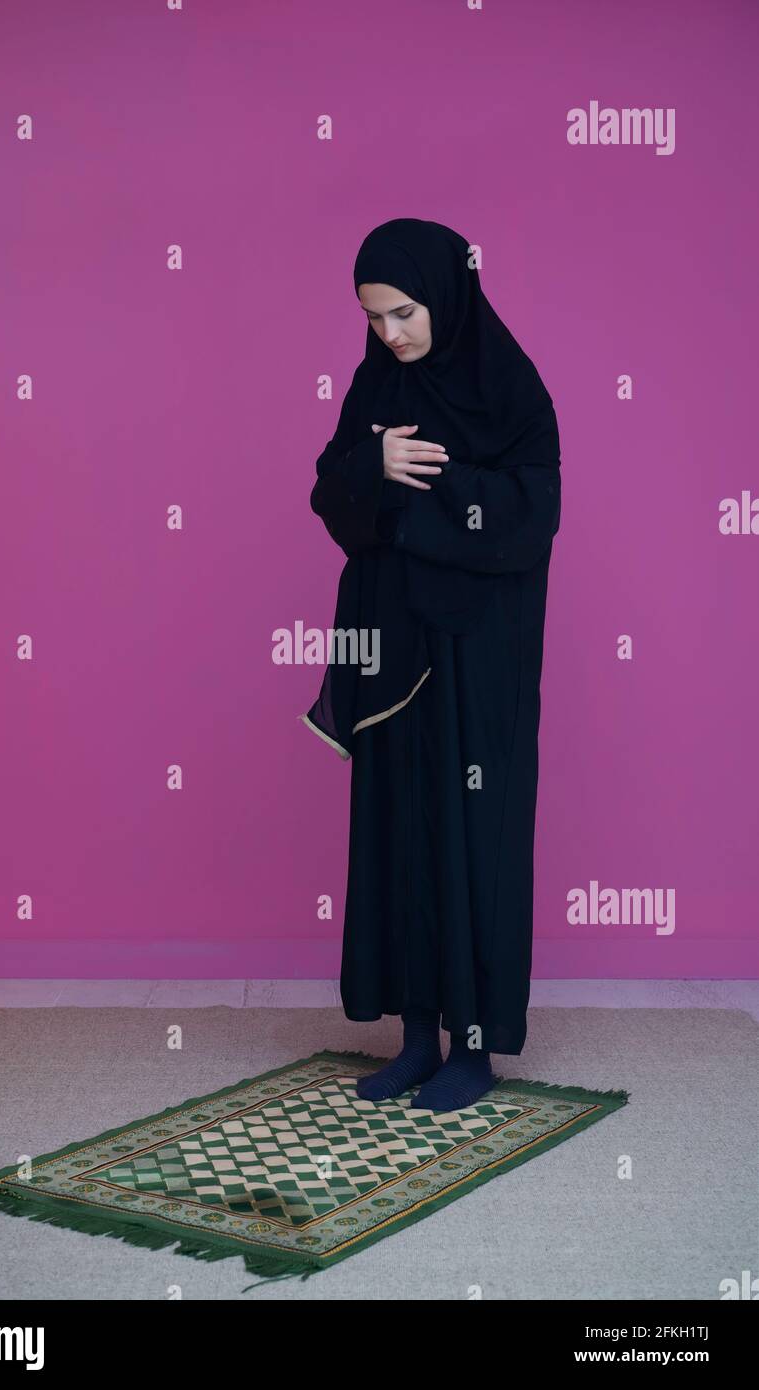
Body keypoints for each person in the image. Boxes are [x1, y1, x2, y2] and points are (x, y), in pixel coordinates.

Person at [299, 218, 561, 1113]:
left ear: (445, 295)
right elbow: (330, 494)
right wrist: (374, 461)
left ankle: (474, 1050)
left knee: (468, 837)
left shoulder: (510, 388)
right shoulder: (379, 383)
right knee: (400, 833)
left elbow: (532, 514)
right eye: (373, 319)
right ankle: (414, 1037)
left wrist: (426, 500)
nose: (391, 336)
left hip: (475, 654)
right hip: (393, 649)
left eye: (403, 313)